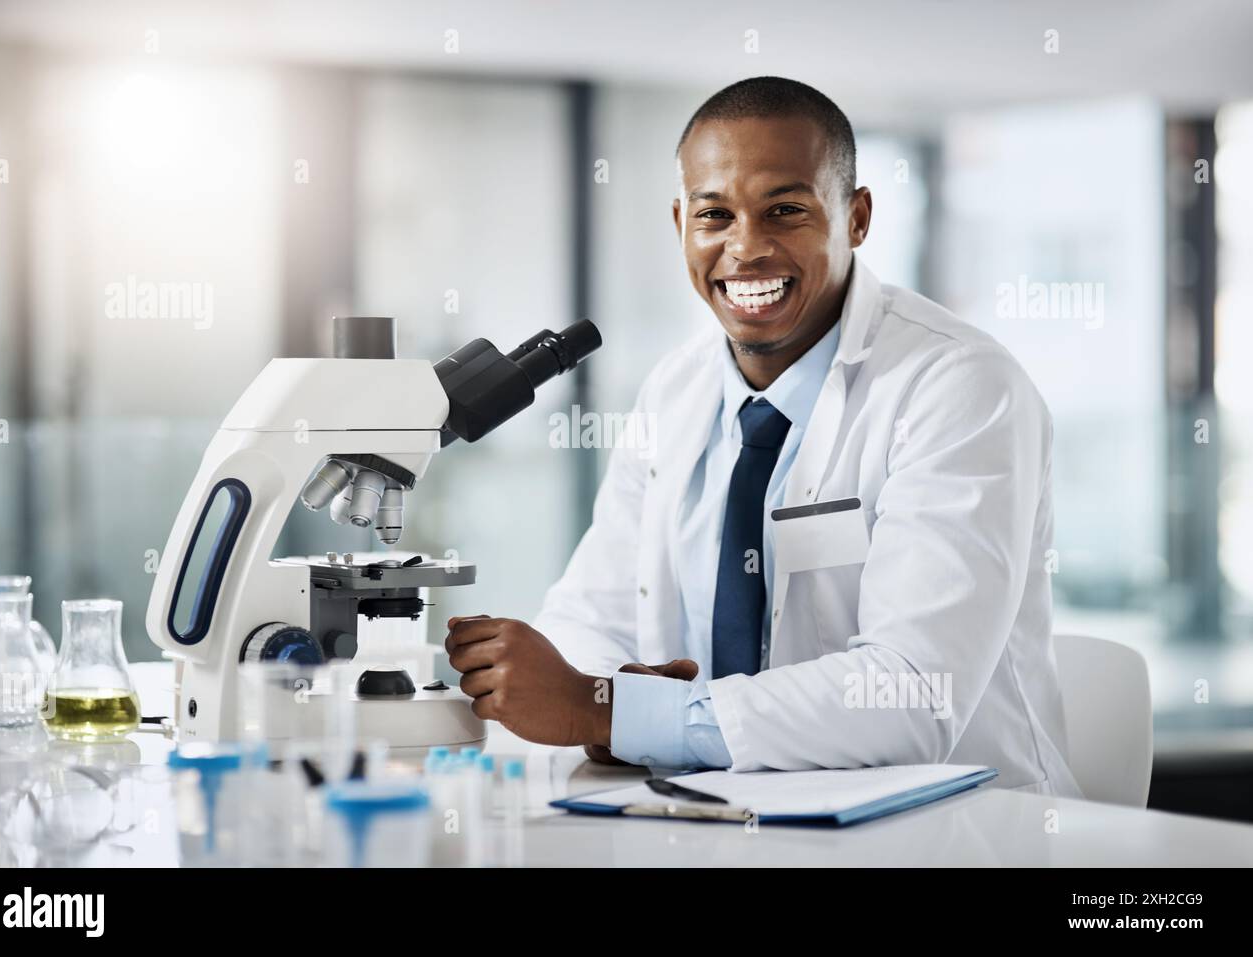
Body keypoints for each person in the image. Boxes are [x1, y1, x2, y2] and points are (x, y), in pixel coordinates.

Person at [445, 76, 1080, 795]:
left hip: (960, 830)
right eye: (715, 214)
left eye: (785, 210)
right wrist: (615, 705)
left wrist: (614, 710)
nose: (746, 250)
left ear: (858, 216)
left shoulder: (960, 385)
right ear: (680, 222)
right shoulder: (673, 391)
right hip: (735, 821)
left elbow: (910, 692)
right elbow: (589, 618)